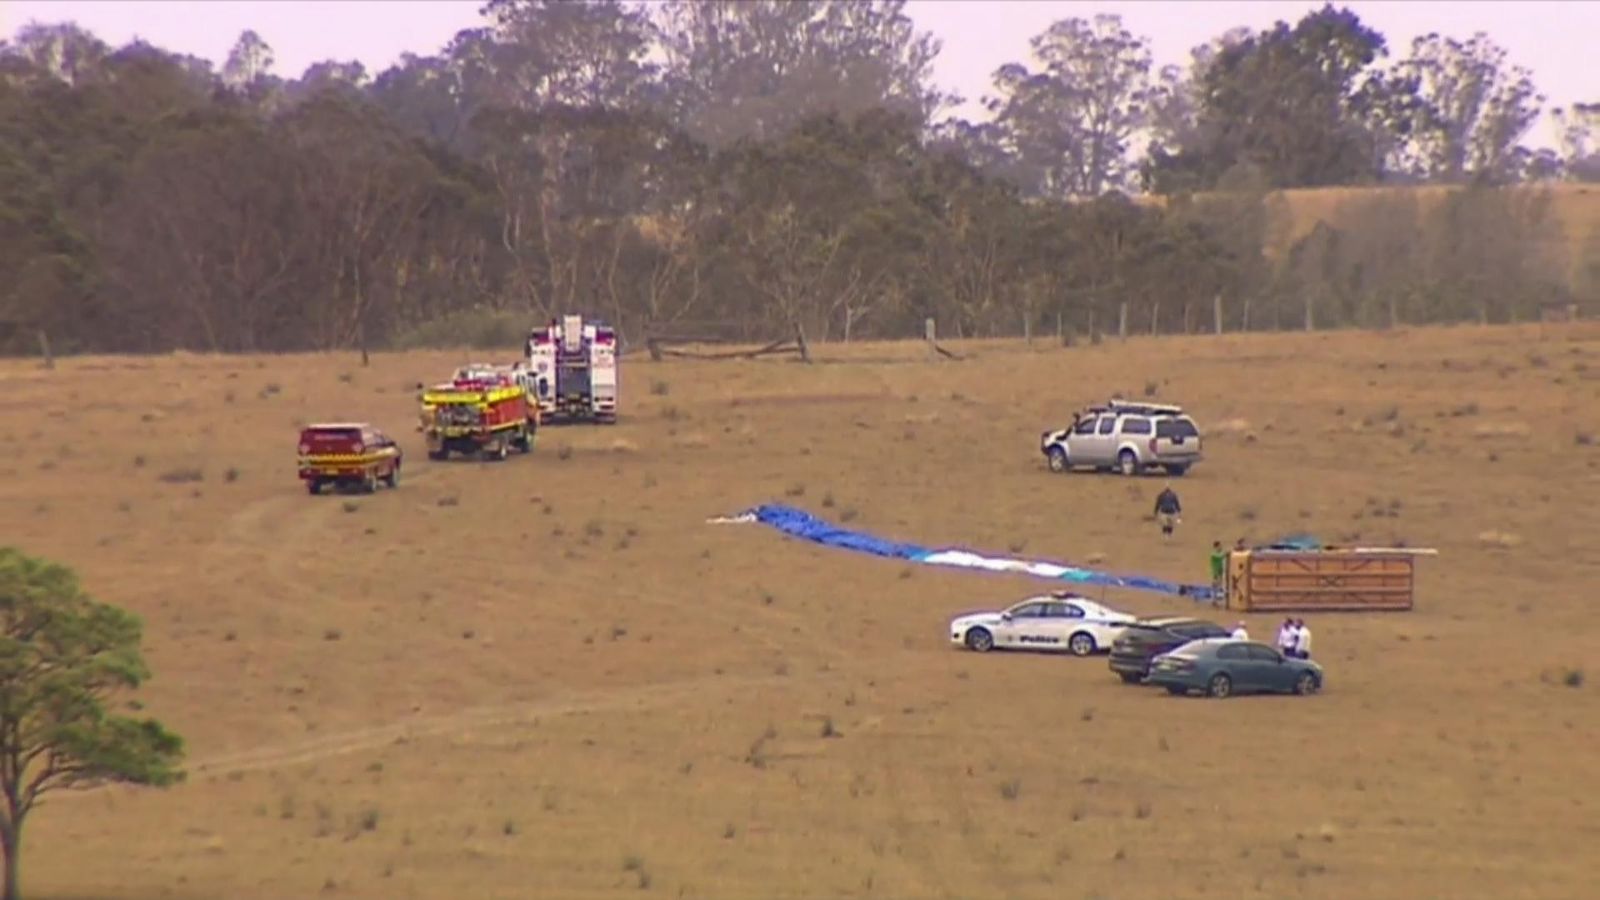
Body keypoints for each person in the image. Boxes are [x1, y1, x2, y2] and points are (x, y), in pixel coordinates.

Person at [1209, 541, 1227, 605]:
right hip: (1215, 572)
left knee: (1218, 585)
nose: (1220, 547)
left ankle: (1215, 599)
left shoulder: (1219, 553)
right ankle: (1213, 600)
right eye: (1219, 546)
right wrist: (1226, 553)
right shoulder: (1213, 554)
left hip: (1220, 571)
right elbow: (1220, 556)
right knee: (1215, 585)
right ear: (1216, 547)